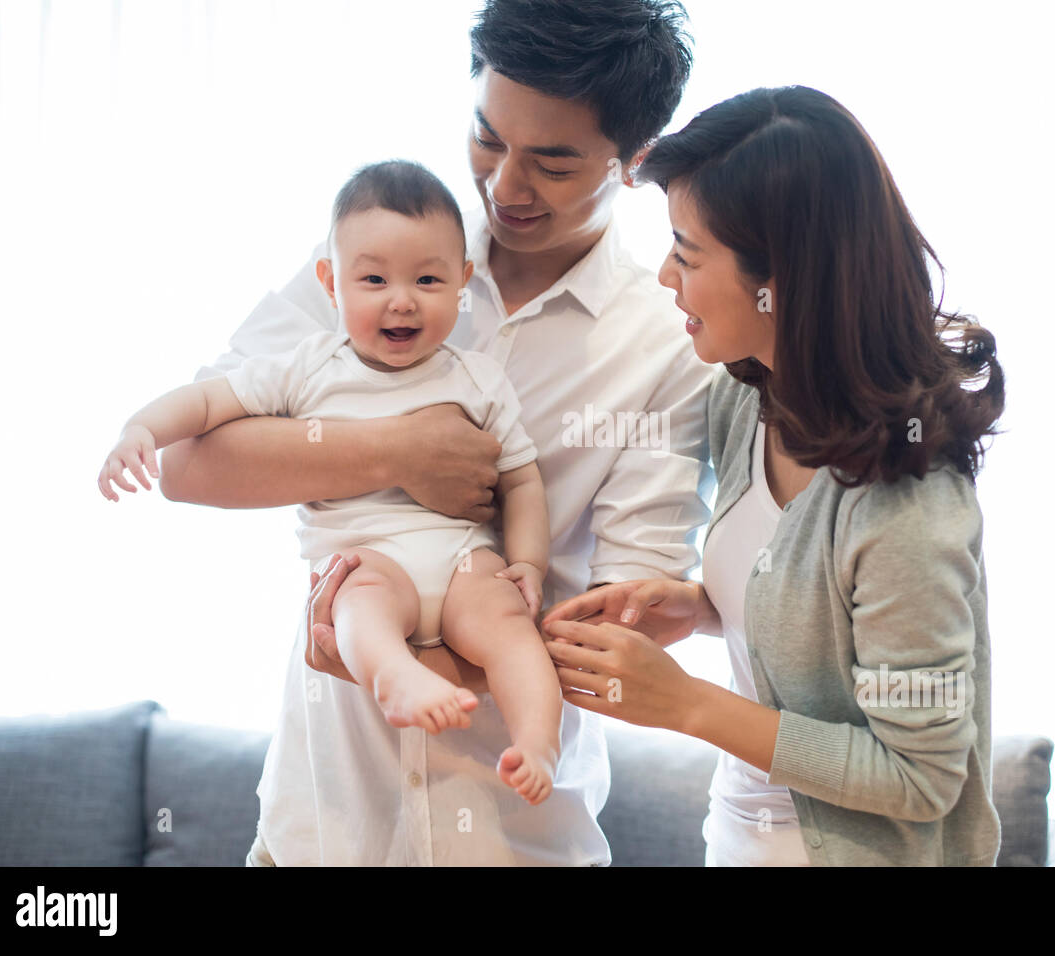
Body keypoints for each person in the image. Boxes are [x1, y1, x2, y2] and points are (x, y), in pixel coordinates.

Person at [158, 0, 709, 866]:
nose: (505, 186)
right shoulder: (373, 255)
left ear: (633, 160)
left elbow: (622, 634)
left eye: (553, 163)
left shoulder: (665, 346)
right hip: (322, 819)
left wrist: (409, 666)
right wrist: (396, 452)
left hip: (511, 834)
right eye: (488, 138)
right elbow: (187, 463)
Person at [542, 86, 1007, 866]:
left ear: (780, 280)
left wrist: (686, 704)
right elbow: (813, 609)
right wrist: (699, 607)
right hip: (737, 840)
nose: (664, 276)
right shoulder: (744, 397)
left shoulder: (909, 507)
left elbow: (920, 776)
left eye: (686, 254)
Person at [98, 160, 565, 820]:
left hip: (466, 563)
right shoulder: (307, 367)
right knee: (356, 602)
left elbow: (522, 480)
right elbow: (205, 405)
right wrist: (139, 428)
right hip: (369, 558)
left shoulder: (478, 378)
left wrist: (529, 562)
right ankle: (394, 676)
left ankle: (539, 744)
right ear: (331, 282)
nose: (401, 299)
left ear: (462, 284)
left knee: (511, 627)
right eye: (373, 279)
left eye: (427, 280)